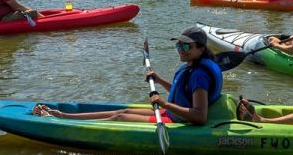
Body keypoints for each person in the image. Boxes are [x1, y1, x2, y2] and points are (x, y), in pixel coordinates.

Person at [33, 27, 235, 126]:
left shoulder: (199, 75)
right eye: (178, 45)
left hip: (180, 122)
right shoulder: (194, 65)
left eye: (186, 46)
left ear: (201, 49)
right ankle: (63, 116)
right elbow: (182, 92)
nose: (181, 50)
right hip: (174, 114)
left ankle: (63, 119)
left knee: (119, 117)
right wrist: (159, 80)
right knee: (123, 111)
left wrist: (164, 104)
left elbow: (199, 116)